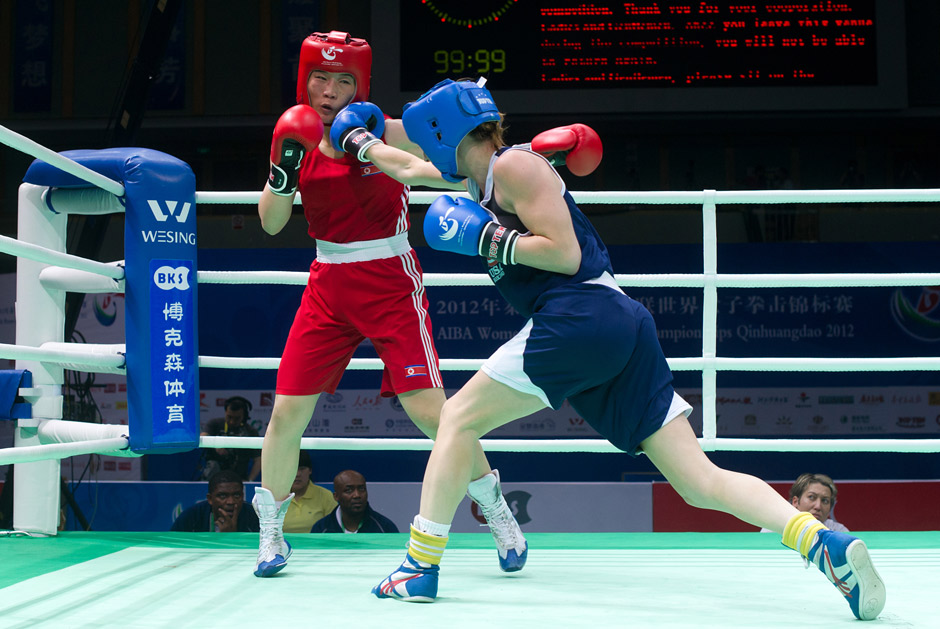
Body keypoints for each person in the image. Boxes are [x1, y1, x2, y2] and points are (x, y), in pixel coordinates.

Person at [337, 78, 886, 620]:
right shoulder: (480, 180)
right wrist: (360, 142)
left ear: (443, 131)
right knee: (698, 481)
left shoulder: (514, 167)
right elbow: (409, 165)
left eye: (426, 134)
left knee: (456, 419)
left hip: (581, 312)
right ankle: (821, 543)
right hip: (615, 326)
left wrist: (490, 239)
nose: (421, 147)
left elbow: (565, 255)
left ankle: (418, 566)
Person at [250, 31, 525, 578]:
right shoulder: (295, 134)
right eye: (320, 79)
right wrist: (282, 174)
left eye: (343, 81)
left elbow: (457, 170)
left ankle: (497, 510)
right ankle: (271, 535)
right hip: (328, 280)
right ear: (305, 79)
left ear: (361, 85)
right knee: (286, 414)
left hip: (389, 278)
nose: (329, 91)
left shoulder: (392, 130)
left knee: (434, 414)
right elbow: (272, 222)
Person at [311, 470, 398, 533]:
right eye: (349, 490)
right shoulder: (321, 529)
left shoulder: (385, 528)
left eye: (361, 489)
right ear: (336, 496)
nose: (357, 495)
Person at [171, 469, 259, 532]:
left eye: (236, 495)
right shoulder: (192, 517)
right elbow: (172, 546)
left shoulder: (255, 517)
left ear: (242, 496)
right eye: (223, 496)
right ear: (210, 499)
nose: (231, 502)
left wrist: (232, 536)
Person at [201, 396, 261, 481]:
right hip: (214, 479)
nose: (232, 421)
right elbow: (203, 436)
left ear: (244, 416)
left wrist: (249, 481)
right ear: (225, 412)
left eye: (237, 418)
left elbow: (258, 460)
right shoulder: (215, 424)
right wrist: (215, 444)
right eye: (229, 417)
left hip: (239, 480)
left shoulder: (251, 432)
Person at [283, 450, 337, 533]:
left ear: (310, 471)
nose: (297, 474)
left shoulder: (325, 495)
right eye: (293, 468)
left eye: (302, 469)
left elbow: (335, 527)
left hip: (317, 545)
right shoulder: (275, 496)